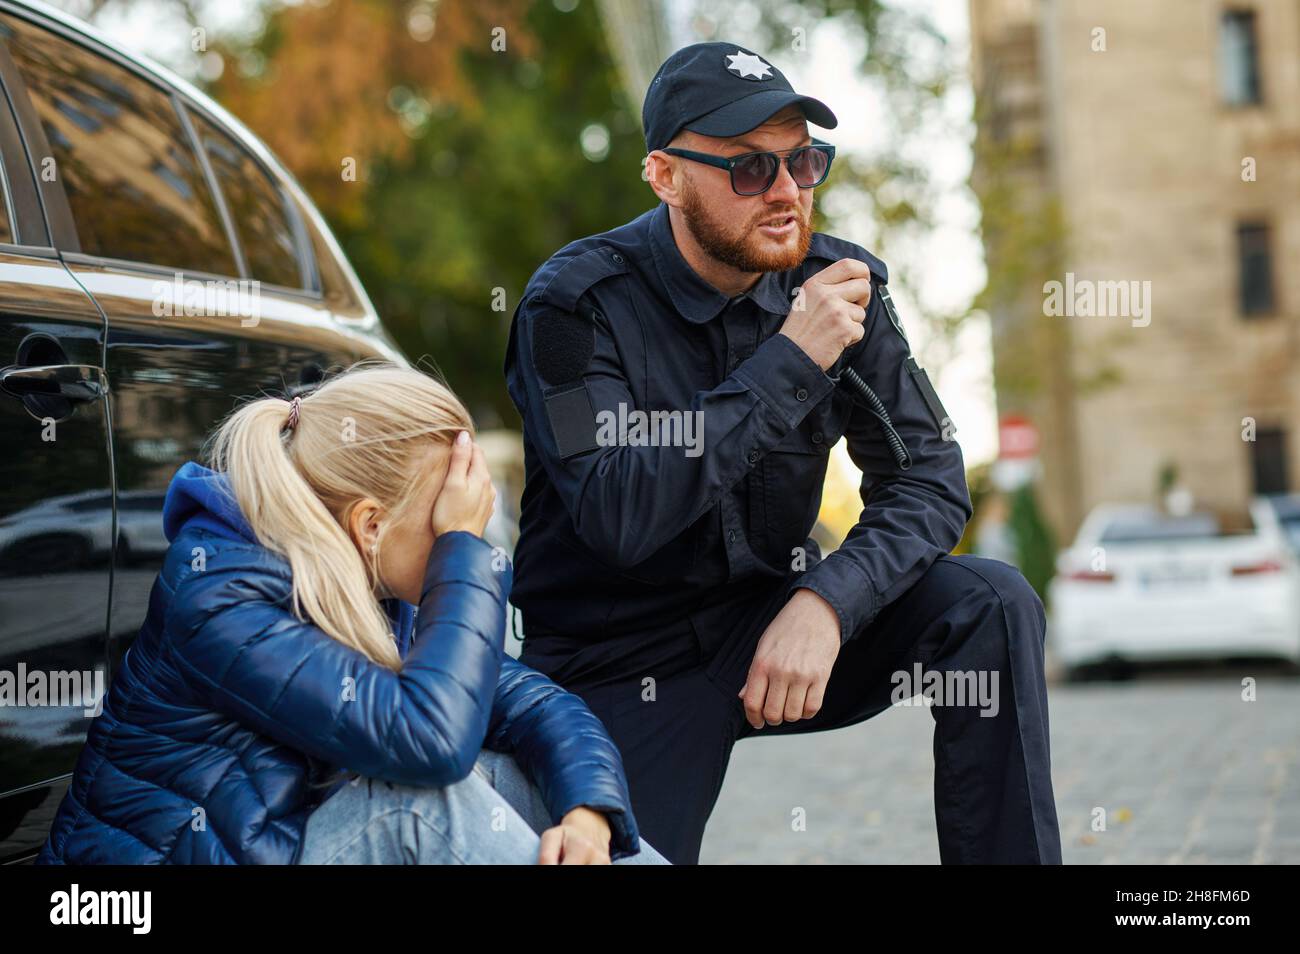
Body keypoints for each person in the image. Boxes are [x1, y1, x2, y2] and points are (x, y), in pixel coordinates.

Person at [504, 42, 1062, 864]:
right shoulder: (574, 304)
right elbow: (620, 514)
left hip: (775, 624)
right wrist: (790, 363)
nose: (786, 193)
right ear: (664, 176)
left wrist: (830, 600)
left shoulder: (841, 282)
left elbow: (929, 478)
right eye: (749, 169)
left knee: (990, 602)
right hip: (617, 661)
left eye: (803, 162)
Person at [37, 364, 667, 865]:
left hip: (279, 842)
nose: (467, 530)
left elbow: (536, 706)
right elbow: (431, 743)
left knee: (513, 773)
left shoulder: (371, 582)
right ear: (370, 524)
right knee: (415, 807)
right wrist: (463, 557)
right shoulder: (220, 596)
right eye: (447, 518)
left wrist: (587, 814)